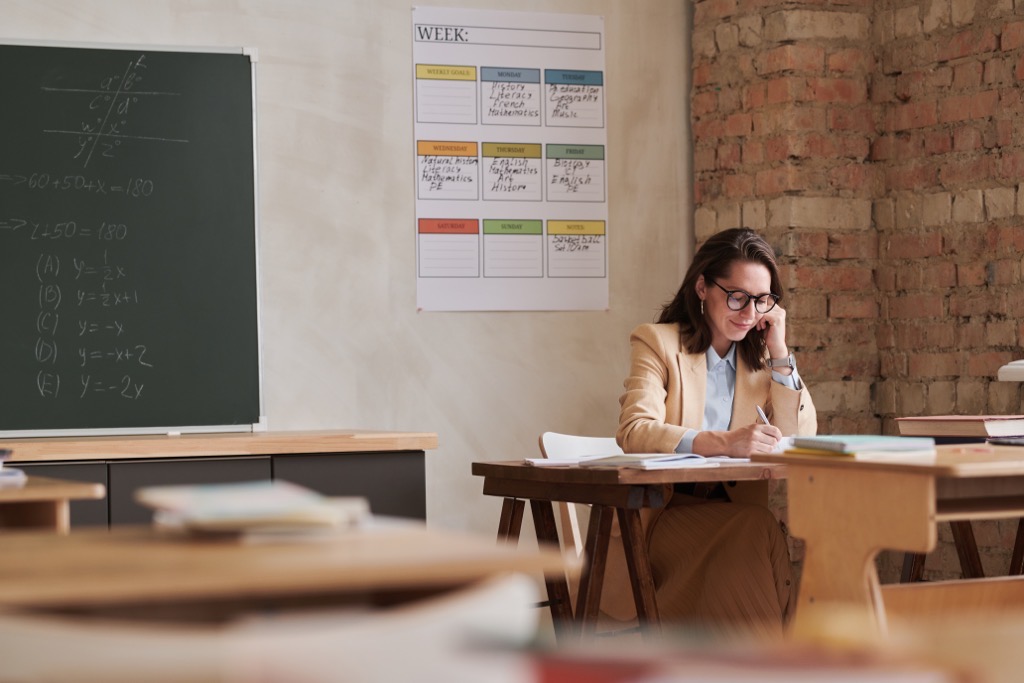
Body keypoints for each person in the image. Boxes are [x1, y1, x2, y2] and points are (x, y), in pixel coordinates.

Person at [607, 227, 817, 640]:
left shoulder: (761, 364)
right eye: (736, 296)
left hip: (737, 517)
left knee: (760, 531)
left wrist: (780, 352)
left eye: (762, 300)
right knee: (758, 530)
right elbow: (634, 429)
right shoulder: (658, 342)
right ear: (703, 287)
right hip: (662, 517)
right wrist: (722, 443)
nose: (748, 312)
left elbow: (800, 434)